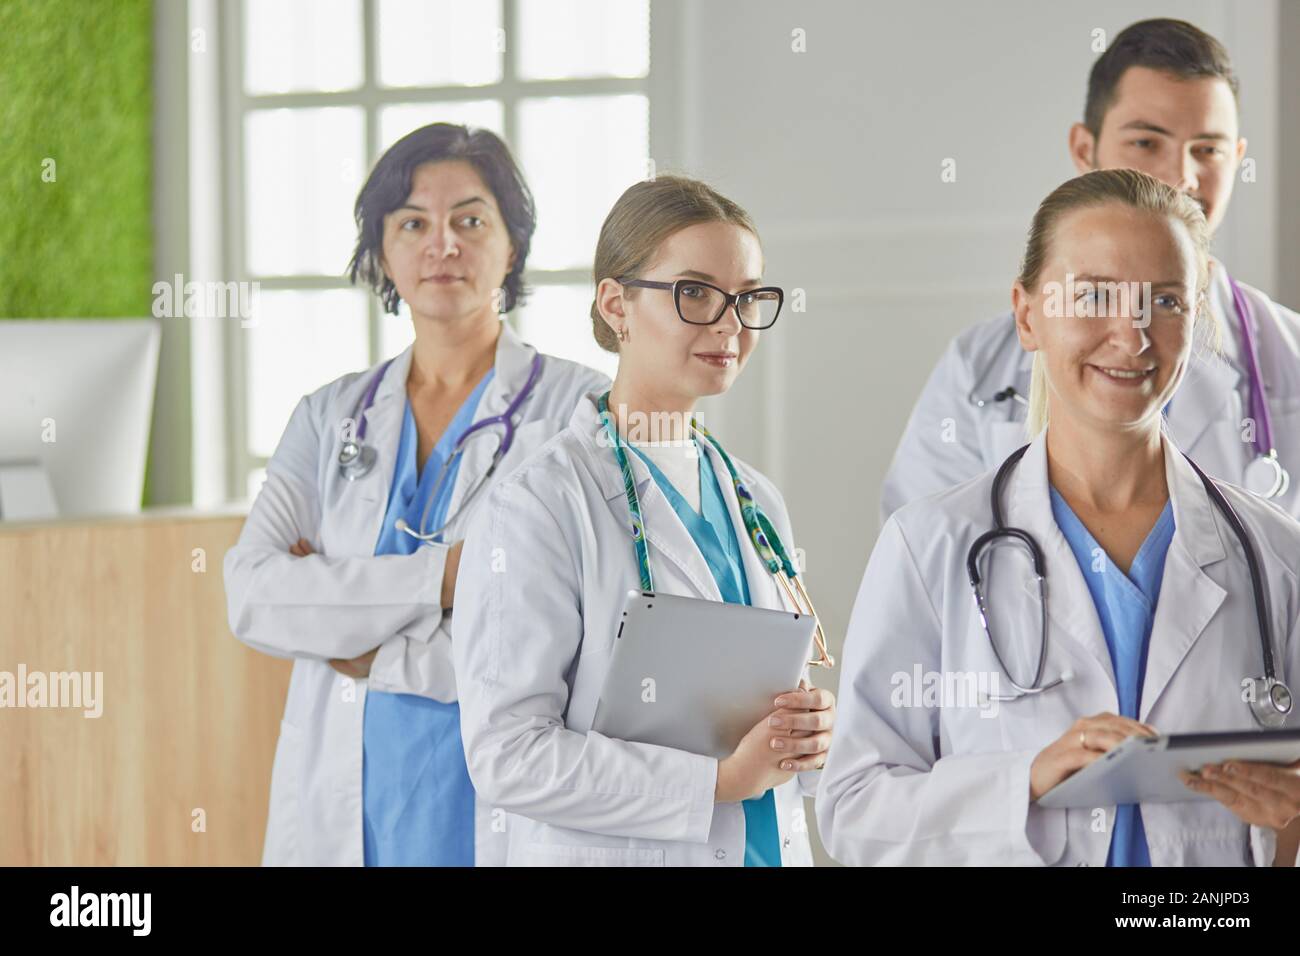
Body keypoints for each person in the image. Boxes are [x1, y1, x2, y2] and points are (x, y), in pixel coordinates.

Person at [817, 168, 1300, 867]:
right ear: (1027, 314)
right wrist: (1025, 781)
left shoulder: (1275, 554)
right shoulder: (931, 547)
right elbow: (854, 810)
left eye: (1165, 300)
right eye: (1094, 294)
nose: (1131, 336)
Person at [223, 123, 609, 866]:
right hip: (349, 811)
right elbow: (255, 595)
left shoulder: (578, 412)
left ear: (512, 246)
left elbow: (574, 643)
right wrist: (449, 577)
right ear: (382, 254)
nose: (444, 245)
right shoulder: (328, 414)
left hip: (501, 810)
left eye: (471, 219)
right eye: (413, 224)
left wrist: (367, 642)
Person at [452, 175, 836, 866]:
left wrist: (802, 734)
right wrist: (716, 782)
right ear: (615, 303)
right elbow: (509, 755)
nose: (729, 323)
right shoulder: (537, 506)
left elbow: (750, 710)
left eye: (747, 297)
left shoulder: (755, 499)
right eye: (695, 292)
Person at [881, 18, 1300, 523]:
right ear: (1085, 149)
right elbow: (926, 559)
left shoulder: (1290, 357)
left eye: (1207, 150)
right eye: (1147, 142)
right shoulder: (980, 368)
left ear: (1236, 160)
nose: (1181, 176)